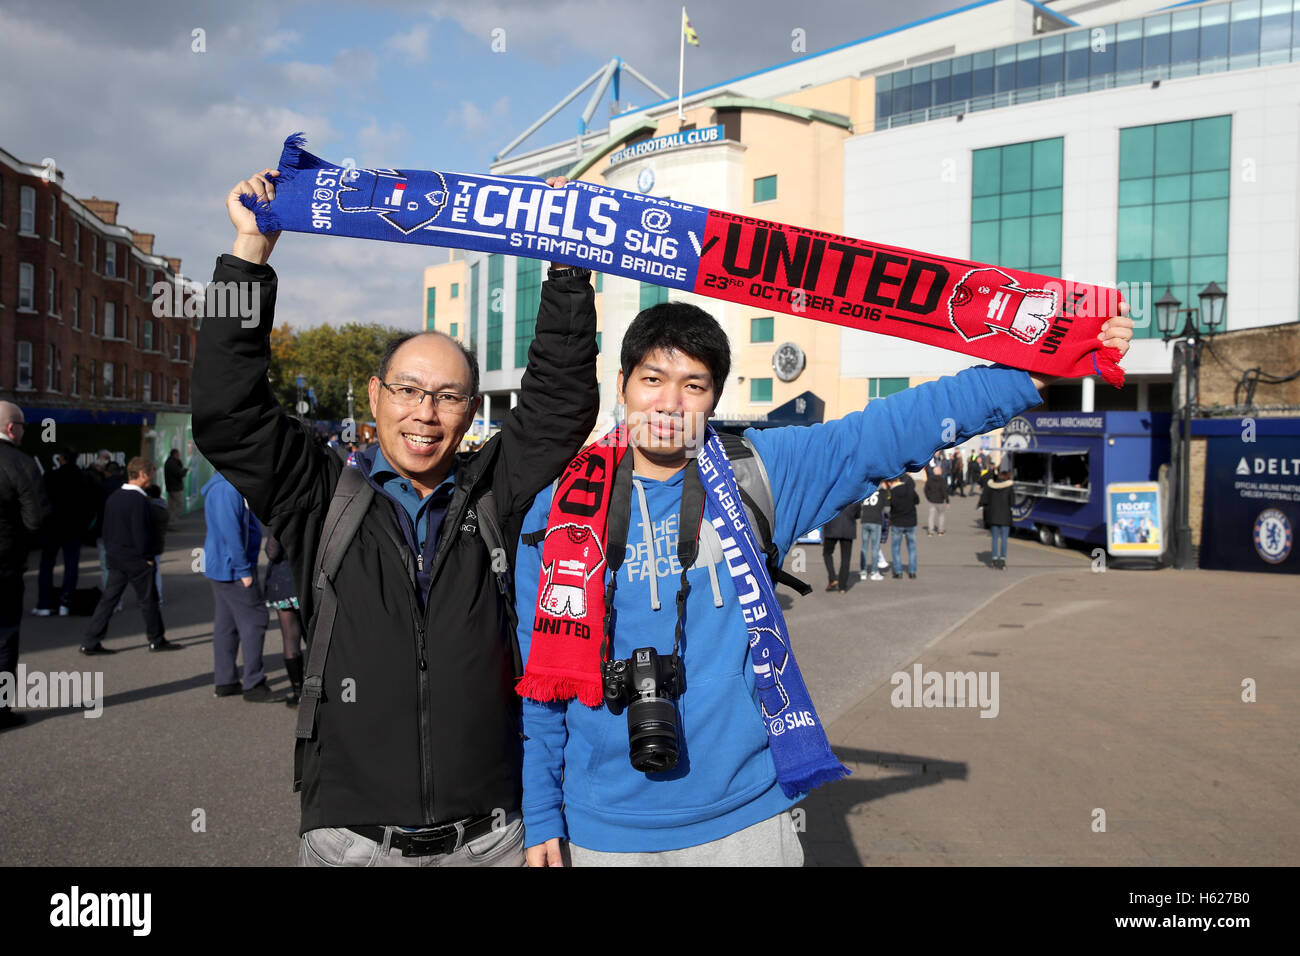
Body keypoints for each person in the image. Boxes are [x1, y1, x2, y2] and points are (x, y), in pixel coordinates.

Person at [515, 301, 1133, 867]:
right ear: (622, 385)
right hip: (604, 829)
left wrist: (1042, 364)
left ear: (714, 397)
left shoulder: (761, 470)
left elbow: (890, 430)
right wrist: (542, 810)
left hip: (746, 820)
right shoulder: (557, 511)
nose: (670, 403)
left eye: (693, 384)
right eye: (652, 379)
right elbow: (537, 679)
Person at [191, 166, 598, 867]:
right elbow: (229, 414)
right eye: (408, 390)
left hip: (491, 839)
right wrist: (248, 256)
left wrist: (565, 267)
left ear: (470, 412)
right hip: (353, 842)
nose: (425, 413)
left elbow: (558, 407)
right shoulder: (321, 496)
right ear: (376, 396)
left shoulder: (490, 491)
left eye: (447, 396)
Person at [80, 457, 179, 655]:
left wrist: (112, 552)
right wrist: (148, 556)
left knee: (108, 601)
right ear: (142, 474)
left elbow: (106, 530)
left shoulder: (114, 497)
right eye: (151, 472)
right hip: (137, 560)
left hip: (116, 557)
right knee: (148, 600)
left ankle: (90, 642)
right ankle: (156, 639)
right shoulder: (140, 501)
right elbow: (141, 533)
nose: (152, 476)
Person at [202, 470, 280, 701]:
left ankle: (225, 681)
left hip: (225, 567)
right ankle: (253, 683)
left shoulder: (223, 486)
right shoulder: (227, 489)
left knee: (227, 625)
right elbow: (231, 534)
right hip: (233, 568)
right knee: (255, 620)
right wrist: (244, 570)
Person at [0, 402, 53, 731]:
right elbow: (37, 519)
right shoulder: (20, 463)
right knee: (4, 636)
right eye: (22, 425)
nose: (23, 431)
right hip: (4, 565)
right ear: (10, 428)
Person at [34, 448, 88, 616]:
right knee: (71, 565)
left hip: (53, 526)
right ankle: (66, 601)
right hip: (74, 527)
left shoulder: (51, 476)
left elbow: (40, 499)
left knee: (47, 564)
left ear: (62, 459)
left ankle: (44, 603)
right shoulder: (82, 477)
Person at [262, 533, 306, 707]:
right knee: (316, 637)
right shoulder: (317, 512)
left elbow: (272, 552)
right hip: (309, 580)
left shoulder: (281, 515)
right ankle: (322, 688)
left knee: (290, 638)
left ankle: (299, 693)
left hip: (285, 582)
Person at [980, 469, 1015, 569]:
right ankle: (1002, 559)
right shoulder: (1009, 487)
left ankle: (994, 559)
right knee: (1004, 539)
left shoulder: (991, 486)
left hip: (994, 516)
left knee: (994, 538)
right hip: (1005, 517)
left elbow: (986, 500)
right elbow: (1012, 502)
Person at [888, 471, 920, 579]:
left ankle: (898, 571)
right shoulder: (910, 490)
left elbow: (889, 506)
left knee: (896, 548)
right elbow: (917, 500)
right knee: (912, 548)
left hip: (897, 522)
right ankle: (912, 571)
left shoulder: (892, 492)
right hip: (911, 521)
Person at [822, 500, 858, 592]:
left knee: (827, 554)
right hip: (848, 528)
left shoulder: (833, 493)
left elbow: (824, 511)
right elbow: (857, 514)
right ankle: (842, 587)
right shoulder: (855, 496)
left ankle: (832, 578)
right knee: (845, 559)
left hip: (831, 528)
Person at [145, 484, 168, 602]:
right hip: (159, 543)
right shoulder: (162, 507)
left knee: (150, 574)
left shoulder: (151, 509)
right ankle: (157, 597)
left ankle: (154, 598)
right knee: (156, 572)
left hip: (151, 544)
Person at [858, 487, 885, 582]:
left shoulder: (865, 491)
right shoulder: (882, 493)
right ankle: (874, 571)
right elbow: (885, 508)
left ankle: (863, 571)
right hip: (876, 521)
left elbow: (860, 504)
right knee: (875, 547)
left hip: (865, 520)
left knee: (864, 548)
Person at [923, 452, 949, 537]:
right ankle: (940, 531)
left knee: (931, 516)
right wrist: (947, 500)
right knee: (941, 516)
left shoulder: (930, 480)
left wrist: (928, 497)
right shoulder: (942, 480)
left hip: (932, 500)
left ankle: (931, 531)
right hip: (940, 501)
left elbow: (926, 490)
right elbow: (945, 491)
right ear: (940, 472)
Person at [163, 448, 188, 531]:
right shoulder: (172, 463)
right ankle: (170, 521)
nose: (179, 456)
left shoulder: (170, 462)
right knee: (179, 504)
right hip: (174, 487)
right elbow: (179, 473)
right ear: (174, 454)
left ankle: (168, 523)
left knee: (171, 506)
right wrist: (184, 471)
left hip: (171, 487)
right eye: (178, 454)